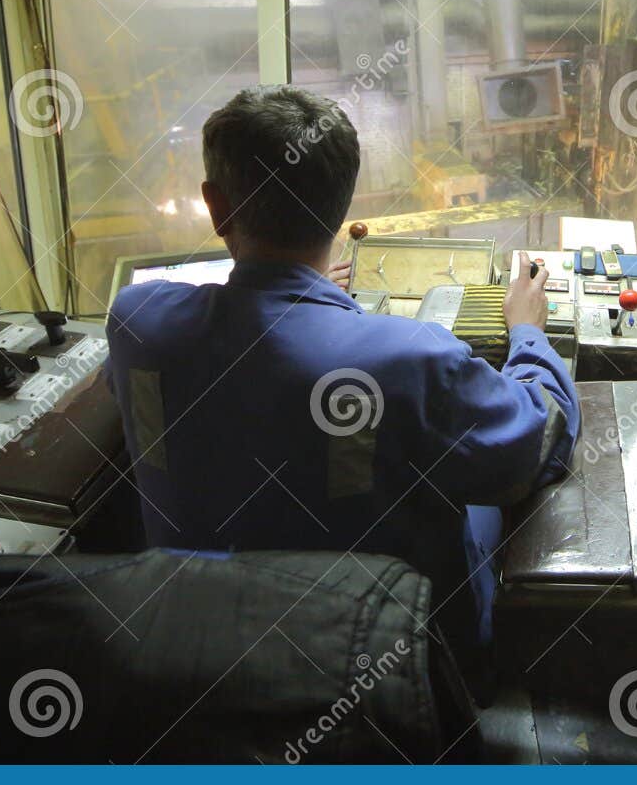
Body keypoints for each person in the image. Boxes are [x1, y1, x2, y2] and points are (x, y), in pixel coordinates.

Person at [105, 87, 580, 662]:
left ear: (215, 204)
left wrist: (307, 297)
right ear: (342, 203)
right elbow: (538, 443)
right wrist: (528, 331)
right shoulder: (408, 356)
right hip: (377, 663)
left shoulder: (138, 325)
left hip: (197, 648)